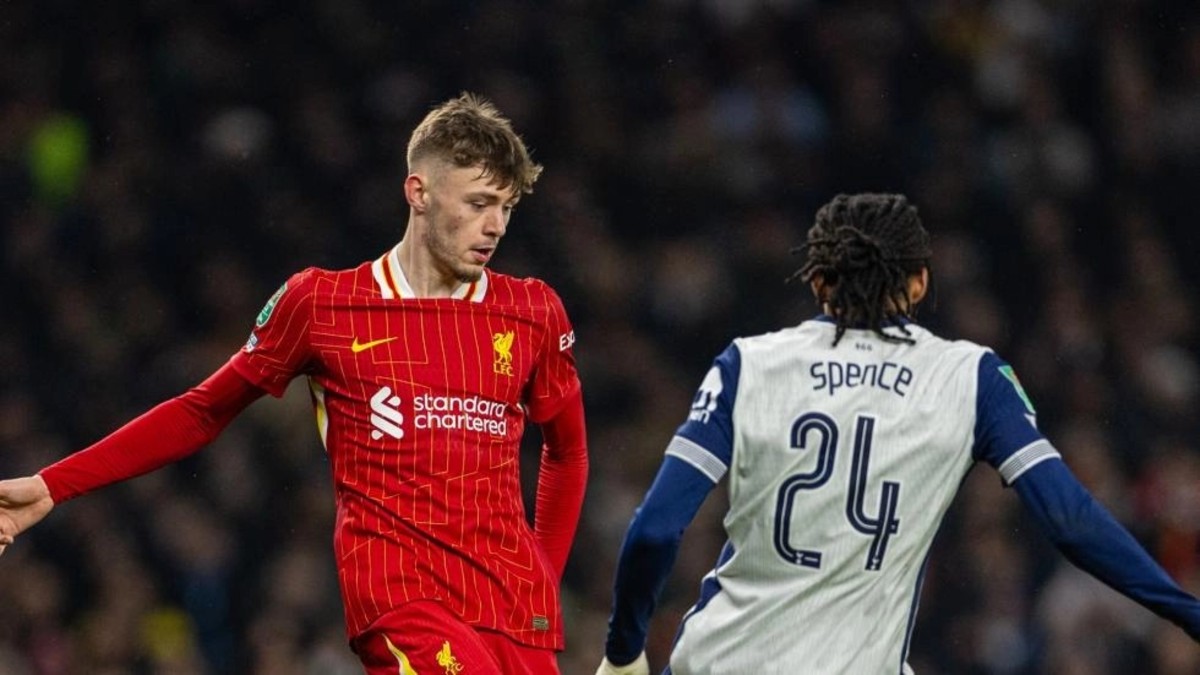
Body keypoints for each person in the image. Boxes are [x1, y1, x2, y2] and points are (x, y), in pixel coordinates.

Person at [0, 92, 589, 675]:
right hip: (402, 598)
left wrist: (540, 578)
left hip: (512, 607)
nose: (495, 227)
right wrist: (55, 485)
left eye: (506, 208)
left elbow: (567, 451)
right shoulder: (322, 304)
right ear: (419, 192)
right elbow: (202, 411)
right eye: (480, 203)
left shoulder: (533, 311)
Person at [594, 193, 1200, 675]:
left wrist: (623, 654)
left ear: (818, 281)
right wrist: (1185, 611)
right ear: (920, 283)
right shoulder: (970, 379)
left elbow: (655, 530)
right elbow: (1068, 519)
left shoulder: (747, 364)